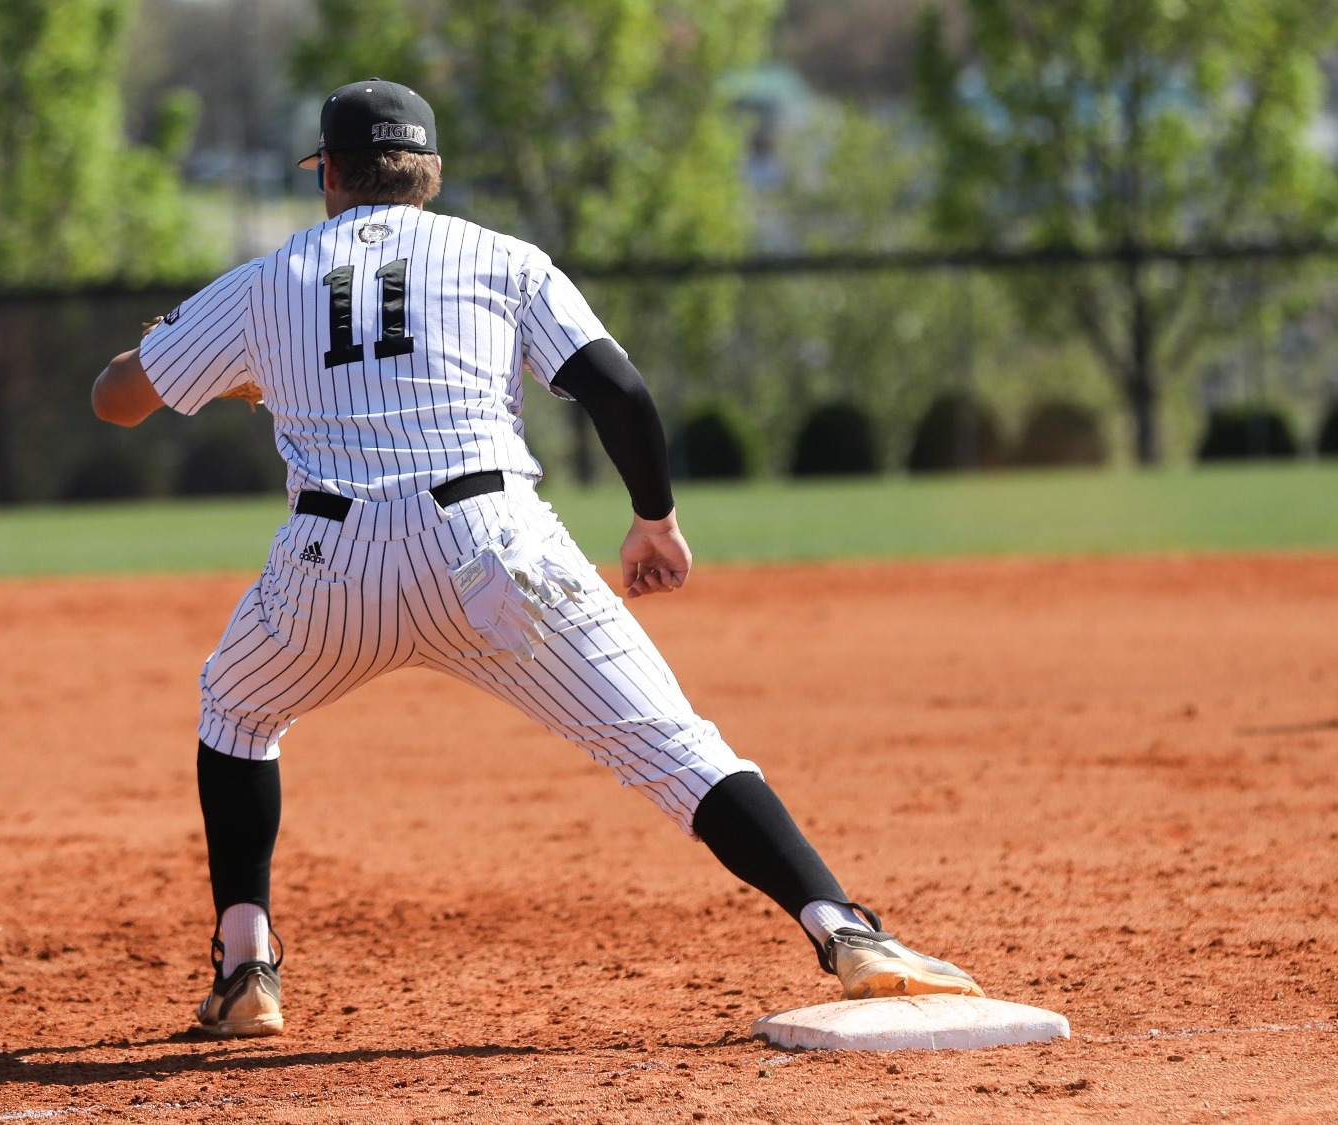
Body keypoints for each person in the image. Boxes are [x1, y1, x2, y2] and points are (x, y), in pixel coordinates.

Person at [91, 79, 982, 1039]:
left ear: (330, 174)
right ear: (428, 175)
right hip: (493, 550)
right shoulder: (501, 259)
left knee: (237, 705)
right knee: (671, 745)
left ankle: (246, 966)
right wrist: (654, 517)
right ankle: (843, 927)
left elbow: (117, 399)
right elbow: (619, 391)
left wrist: (206, 362)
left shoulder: (270, 279)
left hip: (329, 564)